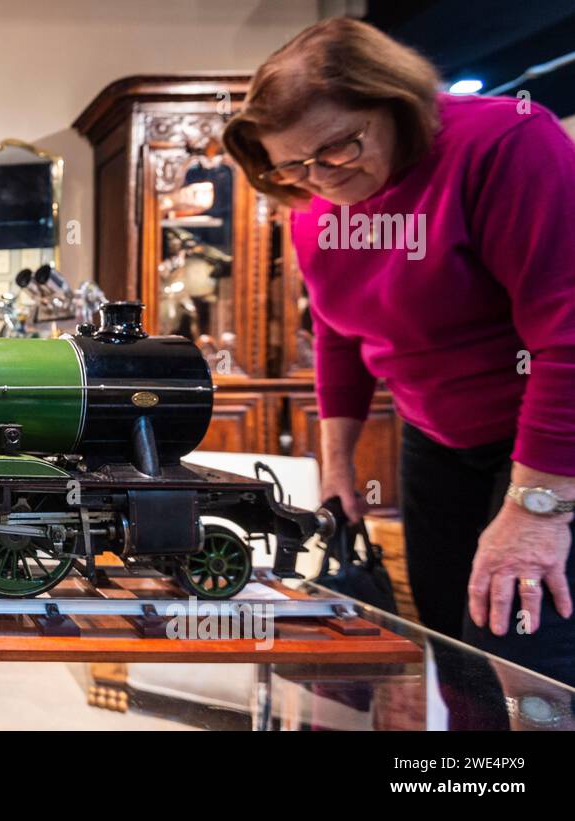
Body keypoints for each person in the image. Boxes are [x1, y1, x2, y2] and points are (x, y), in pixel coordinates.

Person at [224, 18, 575, 689]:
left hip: (548, 439)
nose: (319, 177)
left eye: (339, 148)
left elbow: (567, 339)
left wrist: (536, 513)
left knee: (526, 650)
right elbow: (337, 331)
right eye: (293, 164)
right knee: (451, 637)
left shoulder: (506, 143)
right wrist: (337, 465)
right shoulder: (312, 203)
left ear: (397, 103)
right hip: (437, 436)